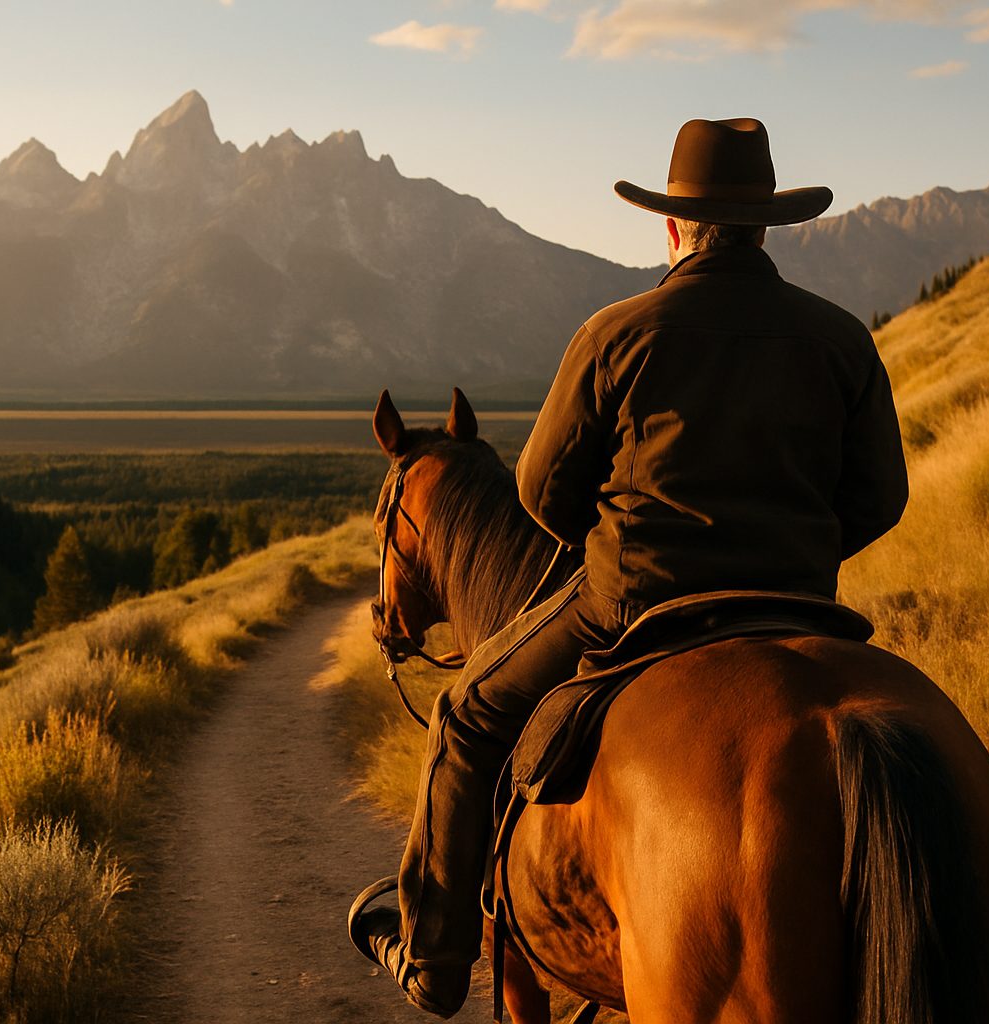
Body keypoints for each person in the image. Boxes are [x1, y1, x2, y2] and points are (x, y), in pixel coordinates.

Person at [352, 117, 909, 1017]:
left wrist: (613, 547)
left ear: (671, 227)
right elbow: (881, 497)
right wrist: (789, 550)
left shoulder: (618, 332)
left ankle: (434, 959)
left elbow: (539, 491)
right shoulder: (841, 338)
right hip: (800, 606)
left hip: (632, 605)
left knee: (463, 718)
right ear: (764, 226)